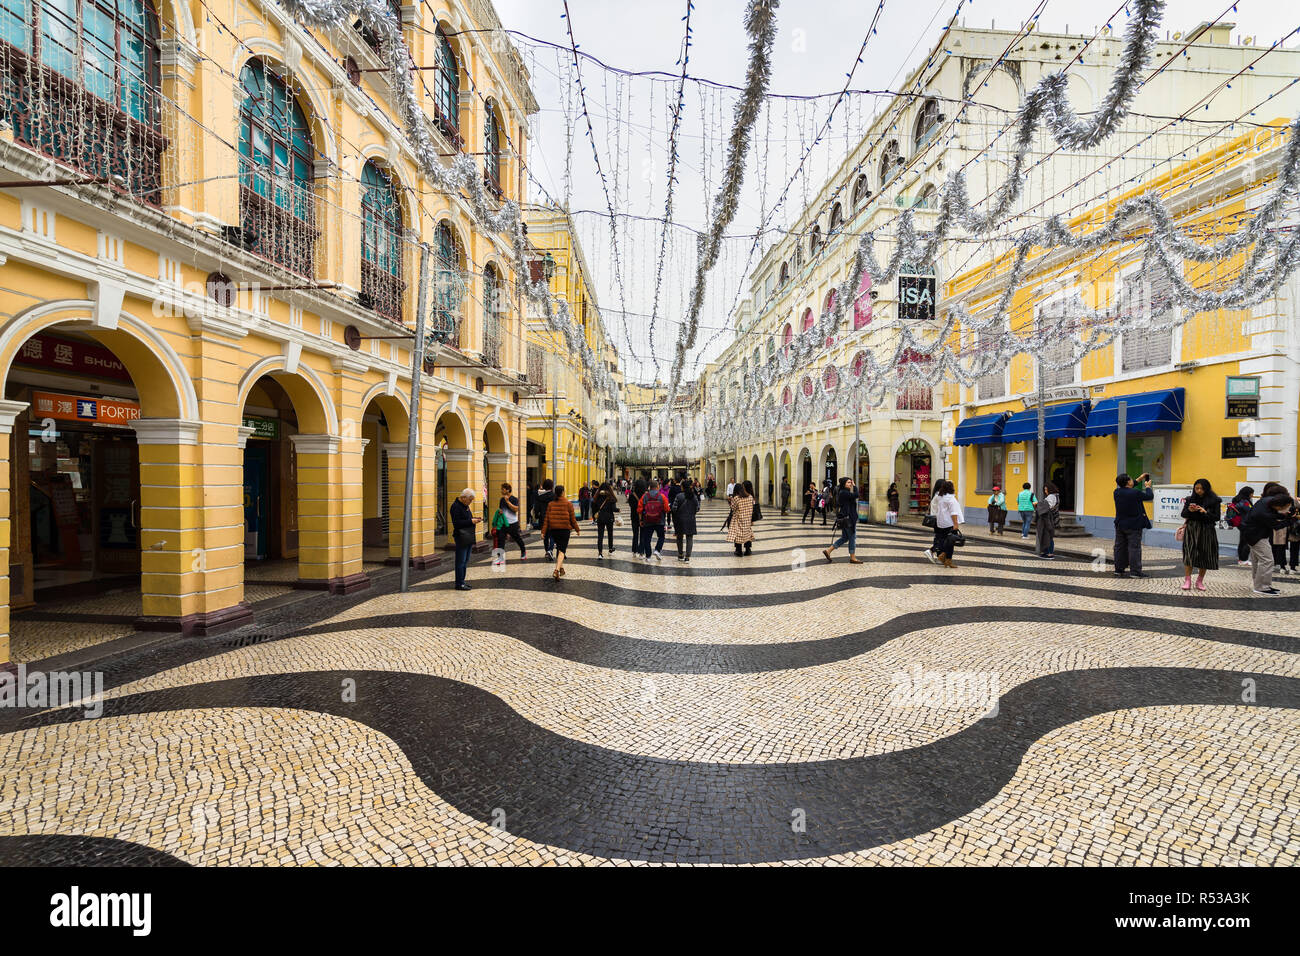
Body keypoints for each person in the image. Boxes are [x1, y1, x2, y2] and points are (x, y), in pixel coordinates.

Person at [1242, 487, 1294, 595]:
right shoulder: (1265, 513)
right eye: (1286, 507)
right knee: (1267, 560)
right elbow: (1277, 526)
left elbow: (1273, 513)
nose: (1286, 509)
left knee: (1258, 560)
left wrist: (1283, 515)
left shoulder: (1267, 500)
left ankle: (1259, 585)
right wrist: (1290, 520)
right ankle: (1262, 587)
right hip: (1257, 536)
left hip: (1251, 534)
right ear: (1280, 505)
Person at [1179, 478, 1220, 591]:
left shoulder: (1215, 500)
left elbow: (1216, 517)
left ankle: (1199, 581)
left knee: (1205, 555)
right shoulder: (1190, 499)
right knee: (1189, 553)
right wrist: (1190, 511)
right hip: (1192, 529)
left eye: (1201, 488)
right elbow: (1183, 514)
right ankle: (1187, 580)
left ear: (1207, 489)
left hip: (1207, 530)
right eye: (1196, 488)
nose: (1199, 491)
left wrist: (1205, 512)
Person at [1112, 473, 1153, 575]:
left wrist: (1139, 479)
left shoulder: (1116, 492)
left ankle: (1119, 569)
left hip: (1120, 524)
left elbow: (1128, 488)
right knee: (1134, 548)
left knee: (1119, 547)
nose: (1132, 481)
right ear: (1128, 482)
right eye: (1131, 479)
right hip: (1134, 525)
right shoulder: (1135, 493)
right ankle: (1135, 572)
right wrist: (1148, 487)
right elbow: (1149, 496)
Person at [540, 484, 579, 580]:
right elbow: (572, 519)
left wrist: (543, 531)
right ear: (562, 492)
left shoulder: (551, 504)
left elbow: (547, 519)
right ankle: (556, 570)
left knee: (559, 549)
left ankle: (561, 569)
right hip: (565, 530)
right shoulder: (568, 504)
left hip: (553, 530)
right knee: (562, 550)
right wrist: (577, 529)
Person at [823, 477, 864, 564]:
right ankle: (852, 557)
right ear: (844, 484)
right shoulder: (844, 492)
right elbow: (856, 495)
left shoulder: (845, 492)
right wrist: (855, 486)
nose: (850, 484)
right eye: (848, 482)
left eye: (850, 482)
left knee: (845, 538)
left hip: (847, 518)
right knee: (852, 537)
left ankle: (828, 551)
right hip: (848, 519)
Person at [925, 479, 963, 568]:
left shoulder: (939, 497)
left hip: (940, 522)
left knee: (942, 539)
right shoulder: (950, 499)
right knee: (949, 541)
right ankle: (943, 556)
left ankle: (942, 556)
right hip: (948, 523)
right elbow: (954, 512)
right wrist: (955, 524)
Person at [450, 488, 480, 591]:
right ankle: (459, 584)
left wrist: (475, 519)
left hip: (468, 536)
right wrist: (471, 521)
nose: (470, 502)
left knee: (465, 560)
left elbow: (467, 519)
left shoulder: (465, 506)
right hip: (461, 537)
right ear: (463, 498)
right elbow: (457, 523)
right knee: (461, 561)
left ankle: (462, 581)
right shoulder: (455, 507)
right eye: (470, 500)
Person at [637, 478, 670, 561]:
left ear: (649, 487)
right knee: (661, 536)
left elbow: (639, 509)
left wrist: (641, 520)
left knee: (647, 538)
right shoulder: (662, 496)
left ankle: (648, 556)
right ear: (658, 487)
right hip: (660, 521)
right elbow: (667, 509)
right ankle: (657, 550)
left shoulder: (644, 496)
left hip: (647, 521)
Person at [493, 482, 527, 560]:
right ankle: (500, 557)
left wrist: (508, 502)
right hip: (503, 524)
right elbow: (501, 509)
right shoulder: (501, 500)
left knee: (517, 538)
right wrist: (500, 512)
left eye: (503, 489)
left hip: (512, 523)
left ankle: (523, 551)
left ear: (508, 490)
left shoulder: (514, 499)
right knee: (500, 540)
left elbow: (516, 509)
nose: (501, 491)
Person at [1226, 487, 1254, 566]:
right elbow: (1250, 511)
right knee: (1247, 543)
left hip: (1240, 524)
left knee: (1242, 542)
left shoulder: (1237, 500)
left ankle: (1241, 559)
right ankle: (1244, 559)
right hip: (1245, 524)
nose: (1252, 495)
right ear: (1248, 493)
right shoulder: (1244, 502)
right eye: (1251, 493)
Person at [672, 480, 699, 562]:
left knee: (679, 537)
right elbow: (697, 508)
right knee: (689, 538)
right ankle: (687, 557)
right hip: (690, 519)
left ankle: (680, 555)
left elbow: (674, 508)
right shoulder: (693, 496)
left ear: (682, 487)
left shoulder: (678, 496)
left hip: (680, 520)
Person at [727, 481, 755, 556]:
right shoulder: (750, 497)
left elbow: (733, 508)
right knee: (747, 533)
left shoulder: (736, 498)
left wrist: (730, 501)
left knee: (738, 534)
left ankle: (738, 550)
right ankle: (748, 550)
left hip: (738, 519)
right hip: (747, 519)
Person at [592, 481, 618, 558]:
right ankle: (610, 548)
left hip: (600, 518)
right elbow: (613, 508)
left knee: (600, 535)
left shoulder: (597, 496)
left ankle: (600, 553)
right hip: (609, 518)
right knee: (610, 533)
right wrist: (618, 510)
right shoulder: (610, 497)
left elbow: (594, 507)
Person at [1036, 481, 1061, 560]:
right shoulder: (1056, 496)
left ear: (1050, 489)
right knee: (1048, 536)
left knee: (1047, 536)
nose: (1045, 491)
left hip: (1048, 519)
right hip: (1052, 518)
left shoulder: (1051, 496)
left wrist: (1037, 504)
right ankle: (1047, 552)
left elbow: (1047, 507)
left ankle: (1049, 553)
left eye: (1046, 489)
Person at [534, 478, 556, 559]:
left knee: (545, 535)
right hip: (553, 517)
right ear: (551, 486)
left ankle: (547, 551)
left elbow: (537, 507)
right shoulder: (554, 496)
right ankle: (550, 550)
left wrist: (536, 515)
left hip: (543, 517)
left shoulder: (539, 496)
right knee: (552, 535)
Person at [627, 478, 645, 553]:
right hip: (643, 517)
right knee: (643, 534)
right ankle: (641, 550)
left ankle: (634, 549)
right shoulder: (645, 495)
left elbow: (630, 505)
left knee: (635, 534)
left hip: (634, 516)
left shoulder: (632, 495)